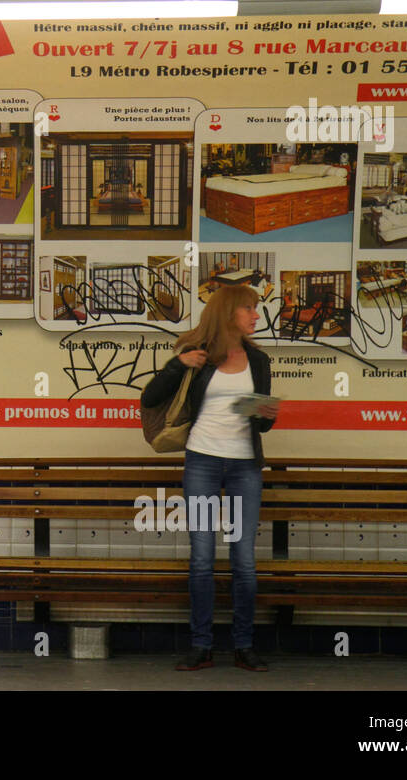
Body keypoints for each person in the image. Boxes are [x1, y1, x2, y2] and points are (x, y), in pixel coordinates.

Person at [141, 284, 279, 672]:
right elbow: (150, 399)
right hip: (202, 463)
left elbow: (262, 429)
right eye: (249, 309)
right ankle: (201, 645)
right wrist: (176, 366)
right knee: (202, 559)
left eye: (255, 309)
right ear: (228, 312)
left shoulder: (259, 361)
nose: (255, 316)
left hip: (244, 467)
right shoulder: (196, 356)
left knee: (243, 561)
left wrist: (268, 415)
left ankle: (244, 645)